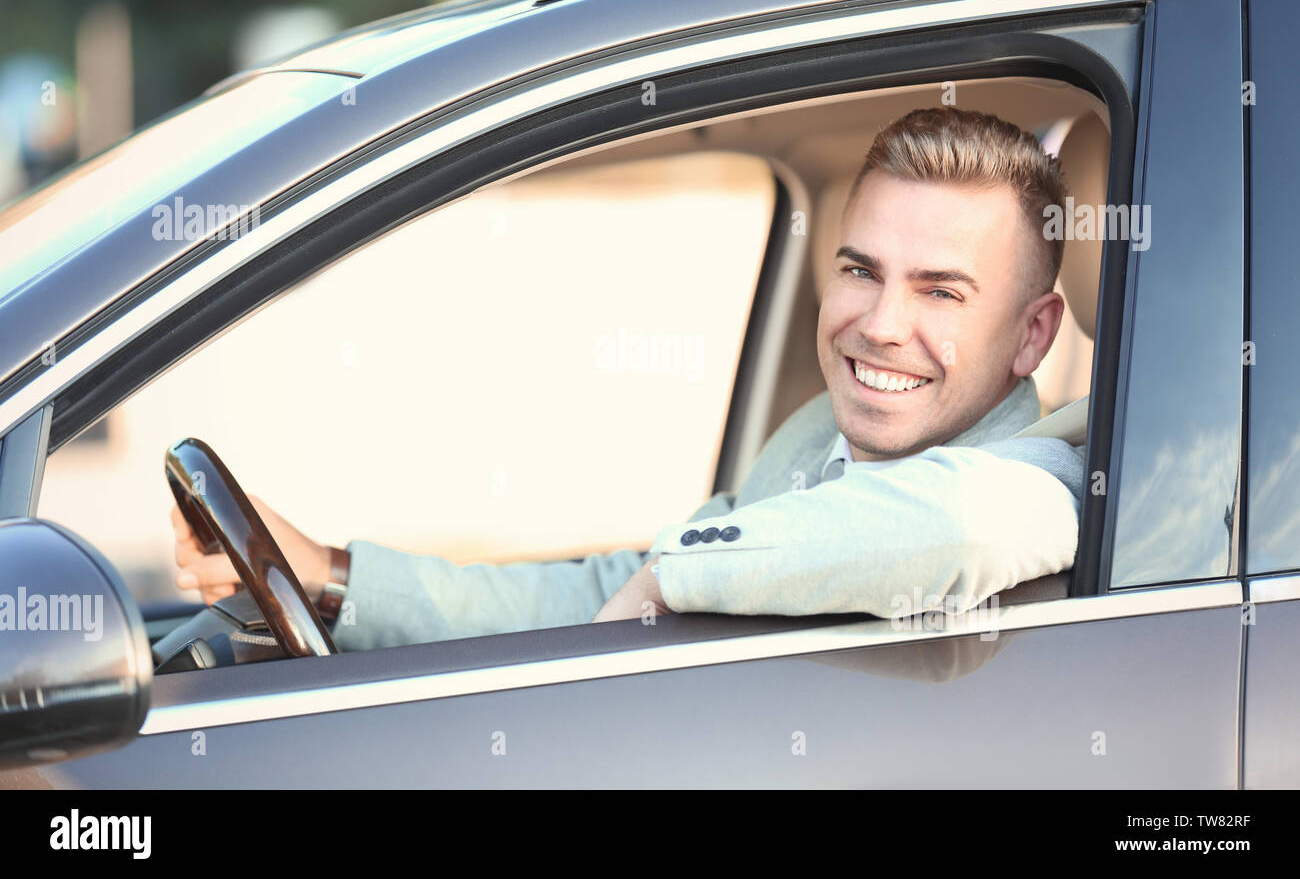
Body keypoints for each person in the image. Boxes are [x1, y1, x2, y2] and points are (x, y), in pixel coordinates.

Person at [172, 106, 1086, 651]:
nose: (882, 326)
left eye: (941, 291)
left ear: (1031, 336)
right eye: (861, 271)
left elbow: (970, 526)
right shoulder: (818, 440)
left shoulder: (1044, 477)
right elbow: (601, 589)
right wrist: (330, 575)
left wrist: (668, 580)